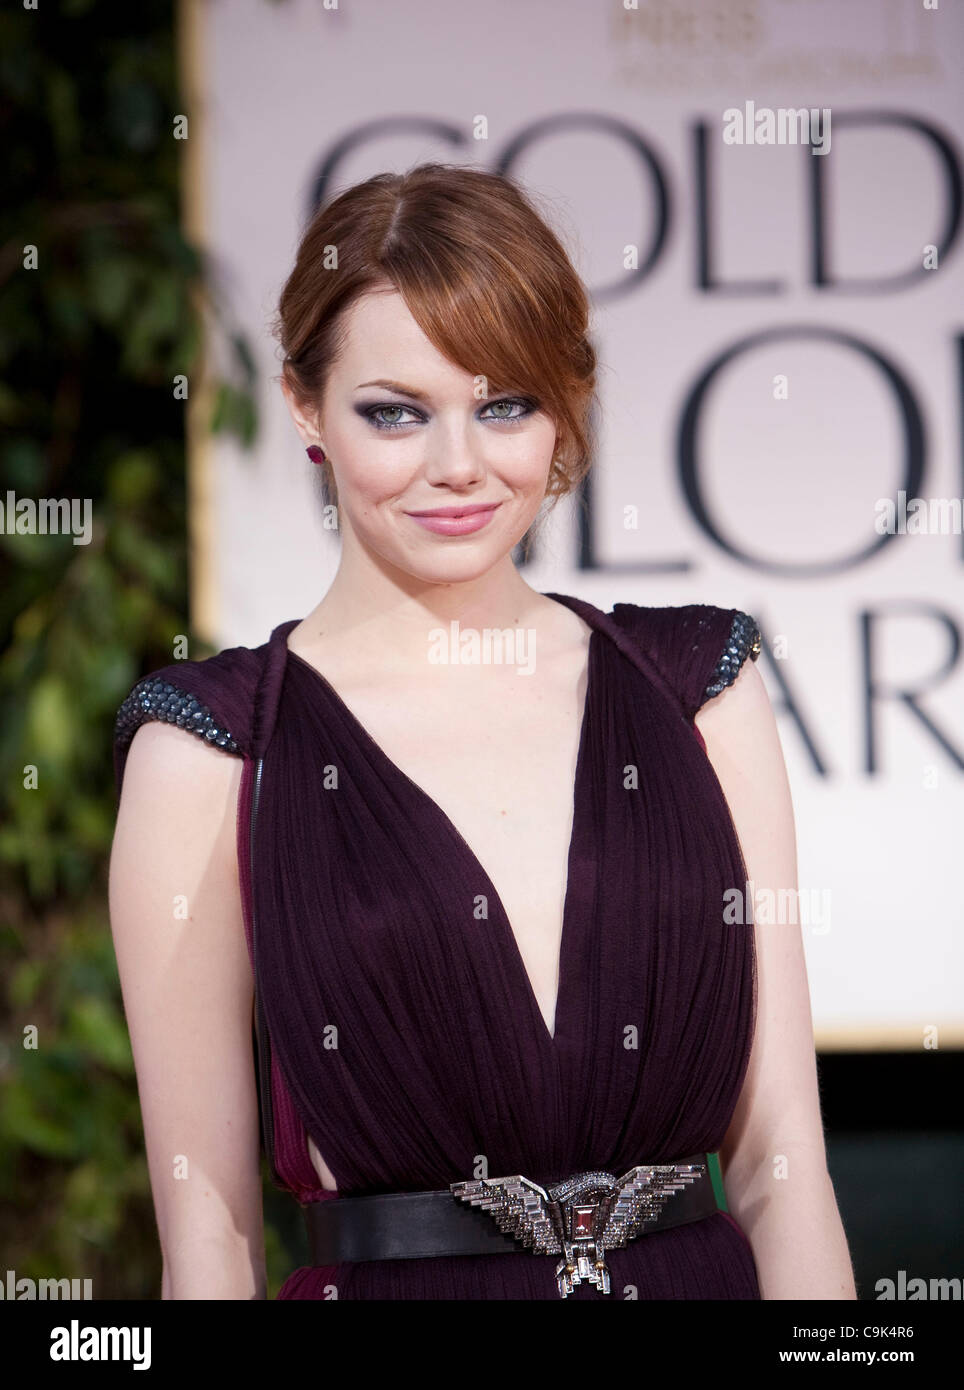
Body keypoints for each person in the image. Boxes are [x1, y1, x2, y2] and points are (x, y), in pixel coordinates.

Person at [108, 162, 856, 1301]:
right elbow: (207, 1241)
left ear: (563, 404)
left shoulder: (698, 688)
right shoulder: (214, 751)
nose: (458, 464)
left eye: (504, 403)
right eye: (395, 411)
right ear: (305, 408)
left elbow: (781, 1158)